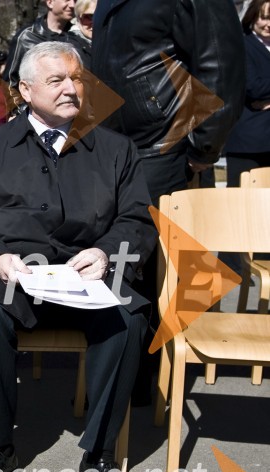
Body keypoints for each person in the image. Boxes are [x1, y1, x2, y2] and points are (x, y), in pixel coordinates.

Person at [0, 42, 156, 472]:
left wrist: (106, 253)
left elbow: (138, 220)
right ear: (24, 90)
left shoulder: (116, 149)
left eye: (77, 79)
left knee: (129, 319)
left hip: (88, 275)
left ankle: (99, 458)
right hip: (16, 274)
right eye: (56, 79)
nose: (70, 87)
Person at [91, 0, 245, 403]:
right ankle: (124, 373)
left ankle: (150, 381)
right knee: (122, 264)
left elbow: (222, 70)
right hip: (114, 147)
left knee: (161, 268)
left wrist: (201, 148)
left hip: (167, 148)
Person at [4, 0, 91, 101]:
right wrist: (21, 111)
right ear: (50, 2)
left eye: (75, 0)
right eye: (67, 0)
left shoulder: (78, 36)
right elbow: (9, 83)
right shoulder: (27, 37)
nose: (72, 5)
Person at [225, 0, 270, 188]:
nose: (269, 24)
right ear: (253, 16)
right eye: (265, 18)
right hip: (249, 143)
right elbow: (254, 87)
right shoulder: (241, 45)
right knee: (242, 204)